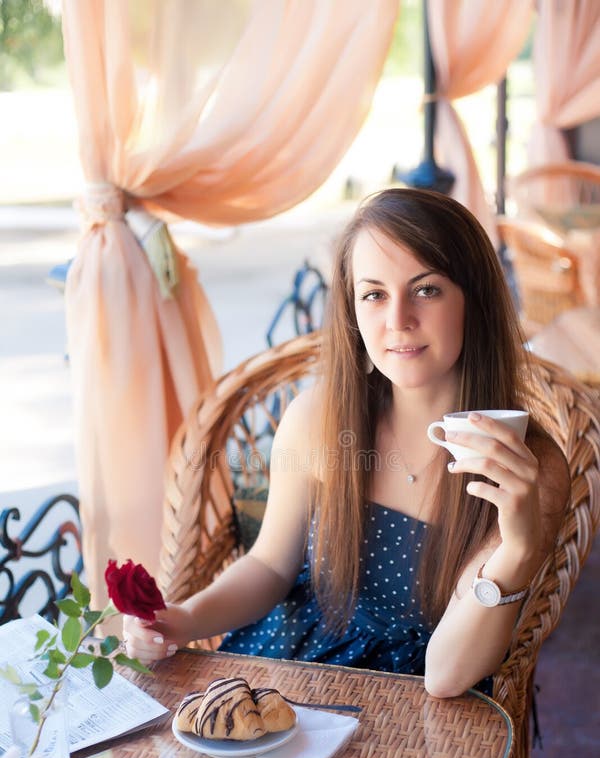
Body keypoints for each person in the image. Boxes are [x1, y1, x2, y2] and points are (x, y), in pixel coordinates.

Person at [124, 188, 570, 697]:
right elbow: (269, 566)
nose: (397, 319)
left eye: (427, 289)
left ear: (475, 299)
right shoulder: (317, 418)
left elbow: (445, 675)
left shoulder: (524, 464)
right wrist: (181, 619)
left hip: (417, 711)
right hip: (283, 672)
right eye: (374, 294)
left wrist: (517, 550)